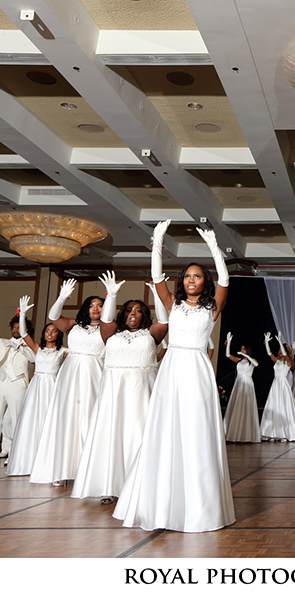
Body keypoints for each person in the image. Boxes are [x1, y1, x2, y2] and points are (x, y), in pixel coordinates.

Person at [113, 221, 235, 532]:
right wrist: (157, 241)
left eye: (197, 276)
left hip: (197, 369)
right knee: (166, 428)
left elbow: (225, 279)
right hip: (172, 368)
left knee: (196, 430)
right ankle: (161, 503)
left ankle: (197, 506)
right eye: (188, 276)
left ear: (203, 281)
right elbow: (156, 277)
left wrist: (214, 249)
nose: (192, 279)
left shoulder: (212, 307)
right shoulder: (173, 303)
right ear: (182, 282)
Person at [72, 274, 168, 504]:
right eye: (128, 311)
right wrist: (112, 295)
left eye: (137, 310)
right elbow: (105, 322)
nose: (132, 314)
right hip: (113, 393)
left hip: (141, 392)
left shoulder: (151, 334)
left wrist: (156, 294)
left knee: (139, 434)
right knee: (111, 436)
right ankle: (111, 485)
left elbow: (164, 322)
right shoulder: (110, 333)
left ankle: (142, 485)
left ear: (144, 315)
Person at [30, 284, 104, 486]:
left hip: (94, 372)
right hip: (71, 373)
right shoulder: (73, 325)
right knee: (67, 418)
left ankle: (87, 469)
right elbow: (53, 316)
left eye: (99, 305)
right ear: (85, 309)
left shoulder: (108, 328)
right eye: (91, 305)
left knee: (89, 418)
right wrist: (62, 297)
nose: (95, 309)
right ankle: (60, 469)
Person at [6, 299, 65, 476]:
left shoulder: (63, 352)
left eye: (54, 331)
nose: (50, 333)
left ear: (58, 334)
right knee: (32, 421)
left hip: (53, 388)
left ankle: (47, 462)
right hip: (37, 387)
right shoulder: (38, 349)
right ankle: (29, 462)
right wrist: (22, 314)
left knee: (49, 423)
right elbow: (23, 334)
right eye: (47, 330)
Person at [259, 333, 295, 442]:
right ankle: (272, 433)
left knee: (284, 407)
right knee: (274, 407)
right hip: (275, 384)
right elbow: (269, 353)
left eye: (283, 350)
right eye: (280, 350)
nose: (280, 352)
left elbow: (285, 354)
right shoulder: (277, 361)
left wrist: (280, 342)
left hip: (283, 385)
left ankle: (285, 433)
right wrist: (266, 342)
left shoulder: (289, 361)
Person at [0, 309, 36, 459]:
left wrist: (20, 347)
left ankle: (15, 451)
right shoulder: (3, 343)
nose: (15, 330)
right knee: (4, 418)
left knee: (14, 418)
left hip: (18, 382)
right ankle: (5, 448)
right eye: (13, 328)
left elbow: (34, 358)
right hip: (2, 381)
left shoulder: (29, 345)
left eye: (18, 327)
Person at [223, 332, 261, 443]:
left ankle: (246, 434)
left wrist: (248, 356)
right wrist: (228, 343)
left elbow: (257, 364)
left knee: (247, 407)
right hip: (239, 383)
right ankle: (234, 434)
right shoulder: (239, 360)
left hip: (247, 383)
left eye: (244, 349)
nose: (242, 350)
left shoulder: (252, 361)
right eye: (241, 349)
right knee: (237, 405)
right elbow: (227, 355)